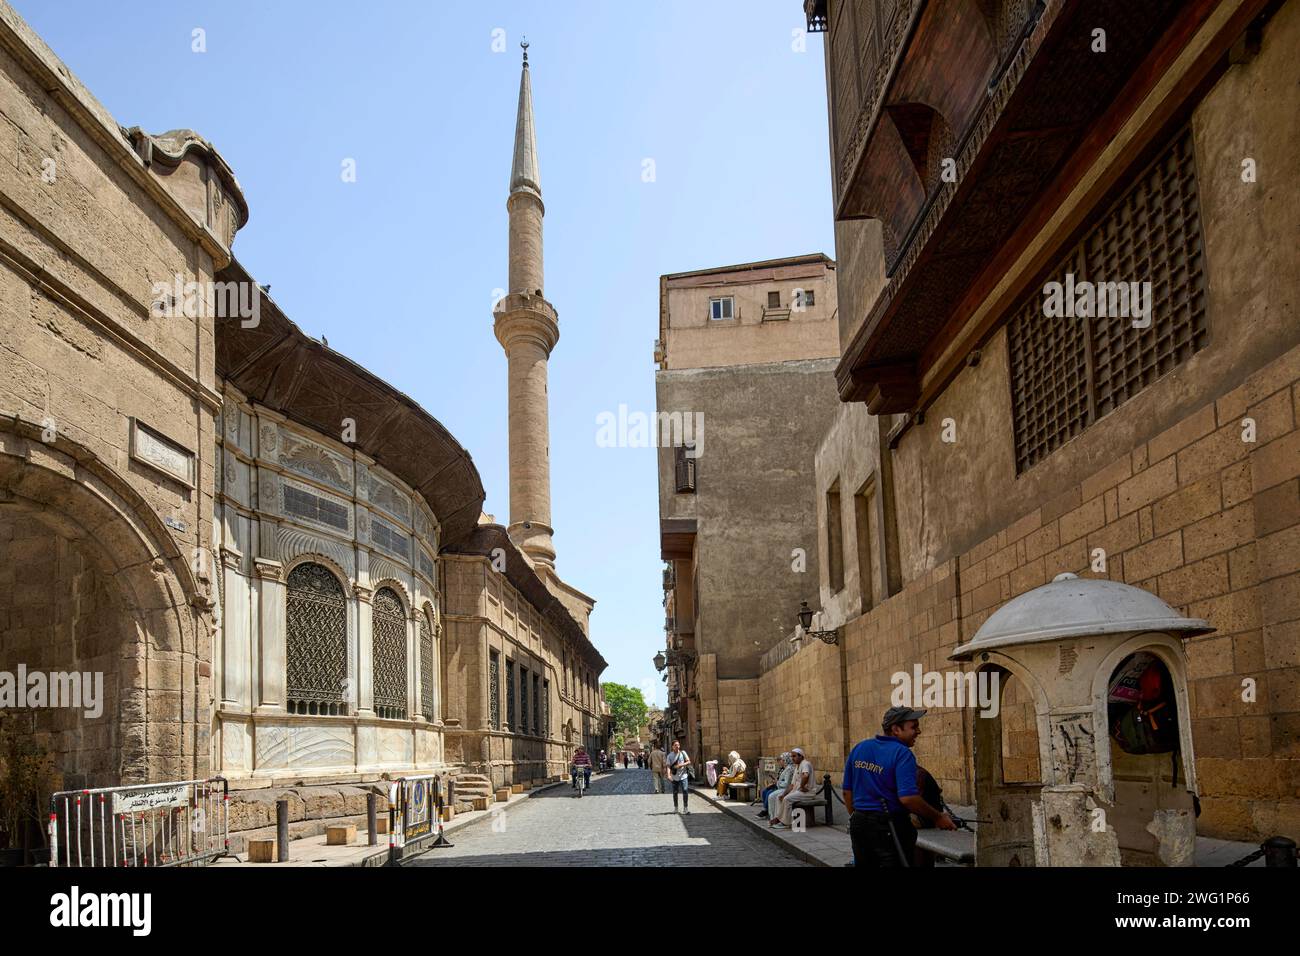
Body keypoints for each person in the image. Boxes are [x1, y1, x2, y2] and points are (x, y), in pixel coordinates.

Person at [842, 707, 955, 867]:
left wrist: (859, 816)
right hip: (890, 827)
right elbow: (908, 798)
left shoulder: (860, 748)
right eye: (914, 727)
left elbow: (847, 792)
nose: (919, 731)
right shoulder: (902, 753)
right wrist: (938, 817)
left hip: (859, 825)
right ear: (896, 729)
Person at [770, 746, 814, 829]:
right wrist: (783, 794)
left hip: (807, 792)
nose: (792, 758)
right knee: (780, 798)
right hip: (798, 791)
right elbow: (792, 785)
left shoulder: (805, 764)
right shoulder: (797, 766)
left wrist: (802, 786)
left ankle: (786, 823)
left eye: (794, 756)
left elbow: (805, 775)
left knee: (787, 799)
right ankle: (779, 819)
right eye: (791, 756)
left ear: (801, 756)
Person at [758, 752, 794, 819]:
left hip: (785, 788)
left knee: (771, 795)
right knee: (765, 791)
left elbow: (786, 784)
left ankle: (774, 816)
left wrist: (777, 782)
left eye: (782, 760)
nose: (780, 761)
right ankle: (769, 813)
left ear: (786, 760)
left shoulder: (789, 769)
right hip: (780, 787)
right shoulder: (785, 768)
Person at [666, 740, 692, 814]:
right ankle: (676, 808)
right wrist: (668, 775)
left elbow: (688, 761)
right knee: (675, 792)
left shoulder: (683, 753)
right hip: (674, 777)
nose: (677, 746)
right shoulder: (669, 756)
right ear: (672, 747)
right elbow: (668, 766)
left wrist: (681, 765)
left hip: (684, 776)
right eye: (675, 745)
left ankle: (685, 808)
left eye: (678, 745)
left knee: (685, 790)